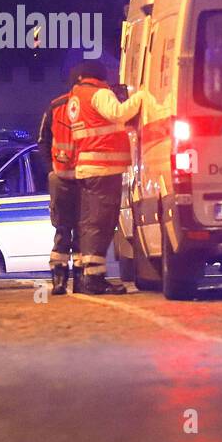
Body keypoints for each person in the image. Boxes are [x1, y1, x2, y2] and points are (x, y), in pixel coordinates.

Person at [69, 61, 148, 294]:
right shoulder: (99, 94)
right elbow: (118, 114)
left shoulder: (76, 97)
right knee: (101, 223)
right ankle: (93, 280)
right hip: (104, 168)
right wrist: (141, 96)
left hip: (87, 167)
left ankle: (88, 277)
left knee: (90, 222)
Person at [37, 69, 81, 295]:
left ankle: (75, 279)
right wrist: (51, 170)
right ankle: (61, 278)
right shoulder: (57, 107)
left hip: (80, 177)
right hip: (68, 177)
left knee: (77, 230)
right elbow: (43, 141)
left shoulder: (58, 105)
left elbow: (42, 141)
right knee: (65, 229)